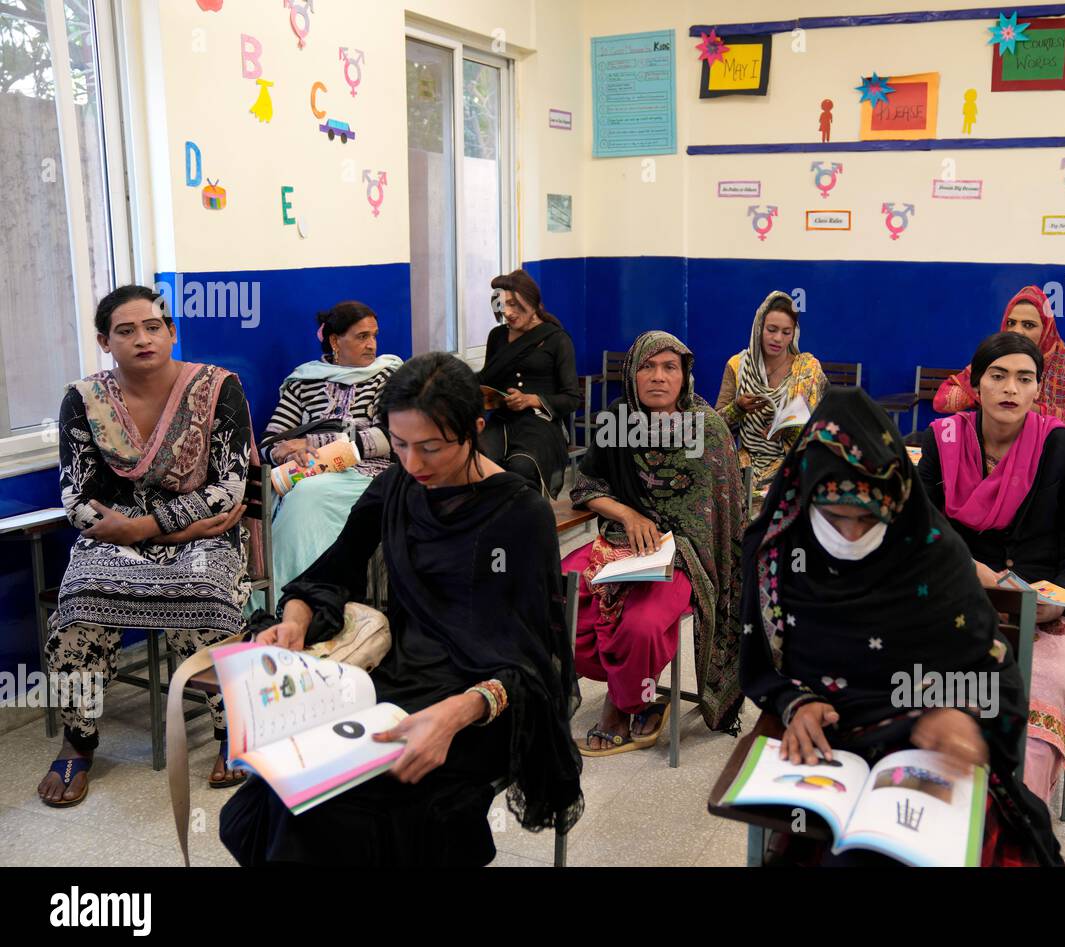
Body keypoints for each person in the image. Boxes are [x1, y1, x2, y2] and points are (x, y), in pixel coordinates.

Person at [220, 353, 584, 866]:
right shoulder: (398, 485)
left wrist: (457, 713)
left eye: (431, 447)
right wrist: (296, 620)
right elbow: (334, 567)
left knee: (348, 805)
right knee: (288, 788)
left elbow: (534, 660)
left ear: (475, 428)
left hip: (488, 702)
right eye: (400, 444)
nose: (414, 463)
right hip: (400, 680)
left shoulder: (519, 513)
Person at [741, 386, 1063, 865]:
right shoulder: (777, 554)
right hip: (828, 754)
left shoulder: (932, 553)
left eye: (868, 520)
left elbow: (994, 672)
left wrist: (963, 715)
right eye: (833, 517)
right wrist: (795, 702)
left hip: (926, 748)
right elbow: (761, 662)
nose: (850, 534)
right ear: (805, 500)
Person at [38, 285, 254, 807]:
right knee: (74, 615)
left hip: (203, 533)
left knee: (207, 598)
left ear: (172, 332)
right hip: (117, 538)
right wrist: (151, 532)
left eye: (154, 327)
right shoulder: (83, 398)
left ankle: (235, 734)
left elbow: (230, 487)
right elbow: (76, 496)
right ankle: (79, 741)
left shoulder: (218, 387)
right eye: (126, 330)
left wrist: (148, 527)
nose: (143, 339)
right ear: (104, 341)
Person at [918, 332, 1065, 805]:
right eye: (998, 376)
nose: (1010, 389)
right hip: (956, 598)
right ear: (976, 385)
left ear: (1038, 390)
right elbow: (921, 535)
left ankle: (1018, 823)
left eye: (1024, 379)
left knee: (1040, 685)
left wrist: (1057, 603)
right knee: (909, 670)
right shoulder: (940, 442)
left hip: (1042, 617)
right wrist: (974, 572)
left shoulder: (1064, 449)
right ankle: (936, 807)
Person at [564, 331, 745, 754]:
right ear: (631, 373)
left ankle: (626, 703)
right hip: (618, 543)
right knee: (557, 593)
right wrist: (627, 514)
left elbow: (721, 517)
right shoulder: (619, 419)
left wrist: (673, 544)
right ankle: (627, 688)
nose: (658, 377)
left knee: (640, 624)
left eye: (670, 367)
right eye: (647, 366)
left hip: (686, 556)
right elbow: (587, 485)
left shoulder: (709, 429)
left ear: (685, 376)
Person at [262, 301, 401, 607]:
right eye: (362, 337)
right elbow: (271, 441)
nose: (372, 345)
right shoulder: (303, 382)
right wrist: (285, 455)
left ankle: (310, 599)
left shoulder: (386, 377)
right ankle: (290, 601)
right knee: (292, 493)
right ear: (336, 341)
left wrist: (315, 442)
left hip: (367, 476)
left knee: (308, 495)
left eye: (374, 336)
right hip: (308, 474)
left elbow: (388, 437)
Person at [933, 285, 1065, 487]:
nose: (1017, 331)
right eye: (1011, 323)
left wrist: (1026, 406)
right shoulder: (996, 357)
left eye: (1028, 325)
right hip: (998, 465)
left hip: (1053, 472)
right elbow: (943, 400)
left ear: (1046, 329)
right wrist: (990, 395)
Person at [478, 270, 581, 498]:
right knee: (479, 459)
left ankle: (527, 524)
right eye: (502, 305)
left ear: (532, 302)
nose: (508, 312)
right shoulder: (497, 336)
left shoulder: (557, 339)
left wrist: (530, 400)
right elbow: (486, 379)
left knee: (521, 466)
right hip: (503, 420)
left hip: (541, 424)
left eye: (514, 304)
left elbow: (572, 398)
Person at [716, 291, 827, 501]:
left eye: (786, 332)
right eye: (771, 330)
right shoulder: (738, 366)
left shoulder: (806, 370)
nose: (778, 338)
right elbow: (716, 427)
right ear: (759, 328)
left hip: (793, 465)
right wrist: (737, 408)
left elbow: (823, 427)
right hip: (746, 467)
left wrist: (788, 429)